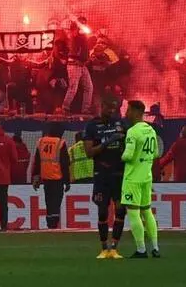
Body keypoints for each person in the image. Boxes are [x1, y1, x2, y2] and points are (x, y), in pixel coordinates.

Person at [84, 95, 128, 259]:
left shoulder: (121, 124)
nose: (111, 111)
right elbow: (89, 153)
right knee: (102, 212)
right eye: (109, 108)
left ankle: (115, 248)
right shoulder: (92, 126)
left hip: (119, 173)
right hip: (101, 174)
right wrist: (107, 142)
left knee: (120, 209)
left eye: (114, 108)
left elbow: (129, 144)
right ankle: (103, 248)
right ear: (101, 106)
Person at [121, 100, 161, 259]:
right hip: (147, 177)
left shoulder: (133, 132)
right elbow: (156, 153)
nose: (126, 113)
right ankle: (156, 248)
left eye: (129, 110)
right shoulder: (150, 130)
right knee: (147, 211)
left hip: (133, 178)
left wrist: (120, 154)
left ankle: (141, 249)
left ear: (136, 112)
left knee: (133, 213)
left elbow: (128, 156)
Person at [31, 123, 71, 229]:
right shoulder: (60, 143)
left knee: (48, 202)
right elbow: (65, 164)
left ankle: (50, 224)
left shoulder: (41, 141)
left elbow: (37, 161)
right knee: (56, 203)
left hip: (46, 178)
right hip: (58, 178)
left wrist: (36, 177)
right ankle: (54, 224)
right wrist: (67, 181)